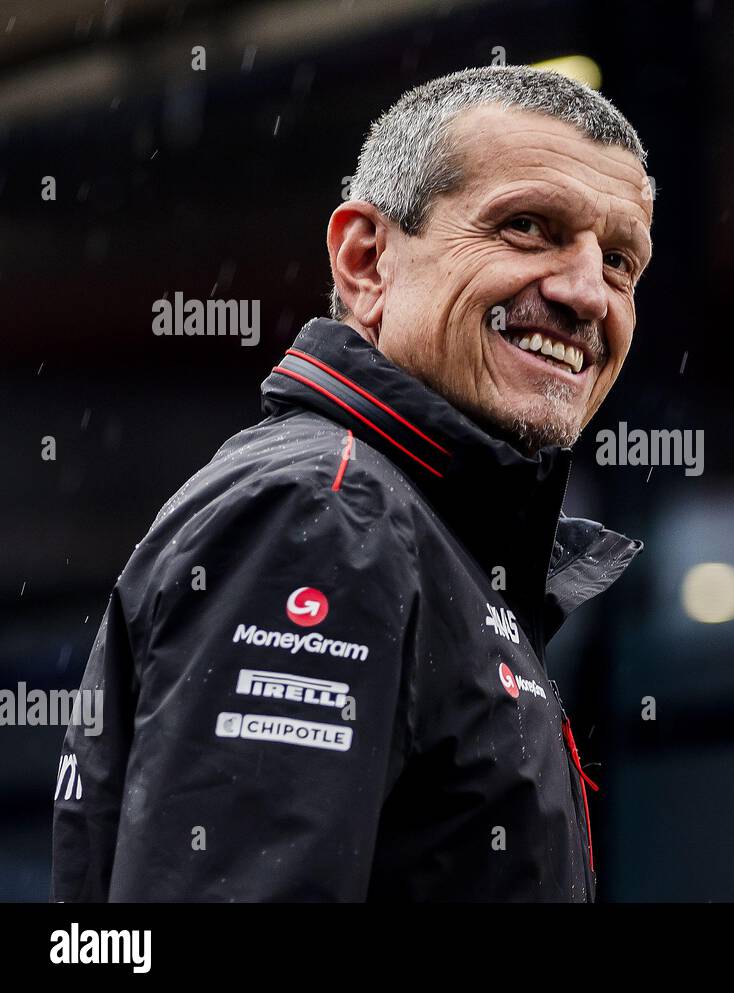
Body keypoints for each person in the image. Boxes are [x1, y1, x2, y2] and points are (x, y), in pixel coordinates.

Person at [51, 64, 653, 902]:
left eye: (621, 261)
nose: (590, 293)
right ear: (366, 260)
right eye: (528, 226)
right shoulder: (326, 511)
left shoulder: (420, 534)